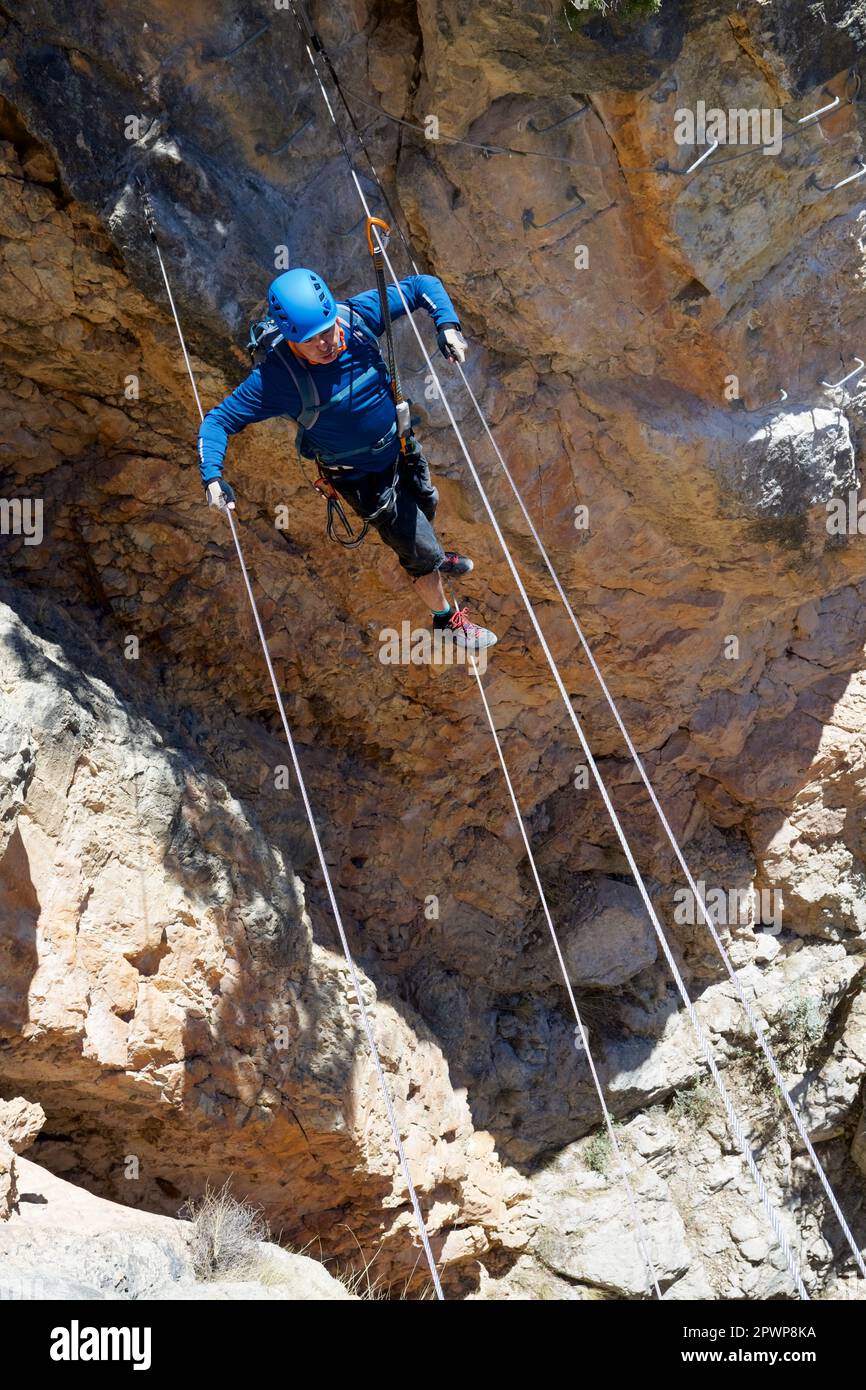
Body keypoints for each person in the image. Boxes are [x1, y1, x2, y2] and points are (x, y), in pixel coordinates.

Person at [198, 266, 497, 651]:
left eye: (327, 330)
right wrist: (212, 476)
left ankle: (434, 555)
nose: (327, 342)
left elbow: (424, 286)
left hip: (400, 446)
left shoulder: (353, 318)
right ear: (290, 340)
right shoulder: (277, 379)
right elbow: (218, 421)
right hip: (360, 478)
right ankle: (447, 620)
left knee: (427, 502)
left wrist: (447, 325)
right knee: (417, 550)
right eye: (313, 341)